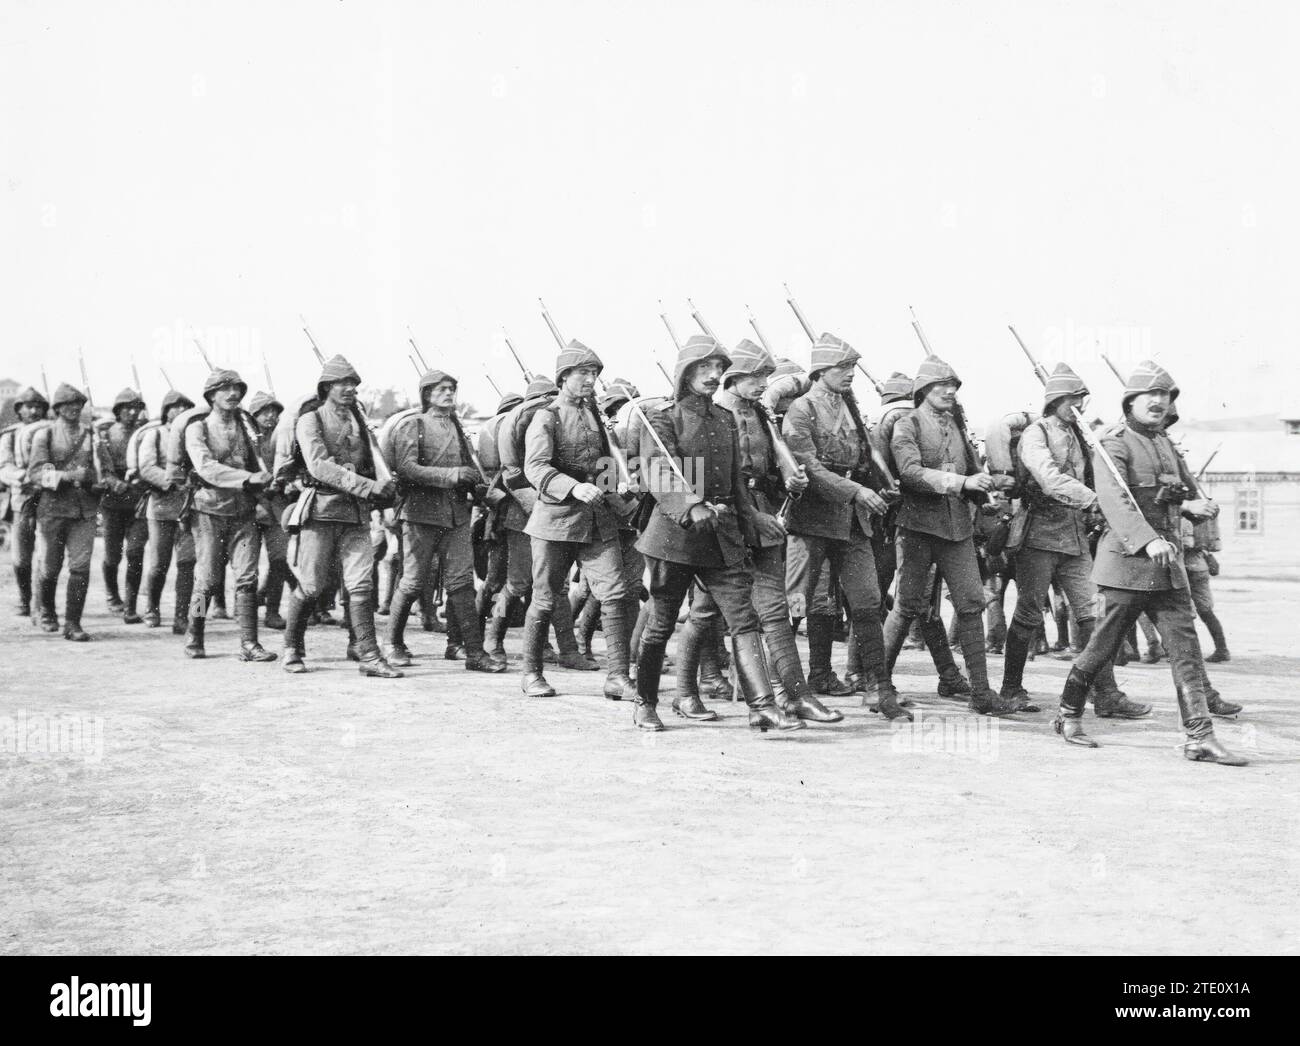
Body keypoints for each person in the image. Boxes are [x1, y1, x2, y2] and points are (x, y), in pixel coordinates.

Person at [1053, 361, 1245, 764]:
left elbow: (1169, 495)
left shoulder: (1166, 445)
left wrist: (1192, 505)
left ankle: (1199, 736)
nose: (1159, 402)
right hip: (1126, 565)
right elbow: (1115, 500)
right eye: (1150, 395)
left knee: (1185, 651)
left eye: (1166, 395)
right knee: (1101, 647)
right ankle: (1068, 714)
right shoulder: (1114, 443)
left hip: (1169, 566)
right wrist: (1146, 540)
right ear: (1131, 402)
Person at [633, 334, 801, 732]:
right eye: (703, 368)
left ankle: (761, 706)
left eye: (718, 369)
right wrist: (691, 505)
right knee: (660, 624)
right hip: (674, 537)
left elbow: (735, 484)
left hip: (721, 536)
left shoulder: (724, 419)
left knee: (743, 621)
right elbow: (659, 470)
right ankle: (645, 703)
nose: (713, 376)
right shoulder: (661, 419)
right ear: (685, 372)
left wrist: (752, 517)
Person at [996, 364, 1148, 718]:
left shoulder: (1081, 435)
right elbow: (1048, 479)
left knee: (1093, 614)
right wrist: (1096, 501)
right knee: (1029, 614)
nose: (1079, 405)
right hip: (1039, 536)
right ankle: (1011, 689)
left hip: (1075, 538)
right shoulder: (1037, 434)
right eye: (1072, 398)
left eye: (1082, 398)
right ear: (1056, 400)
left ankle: (1106, 694)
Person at [881, 356, 1018, 715]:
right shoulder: (906, 423)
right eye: (942, 385)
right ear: (922, 390)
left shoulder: (956, 425)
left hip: (957, 529)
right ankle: (878, 685)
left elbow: (972, 469)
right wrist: (961, 483)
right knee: (908, 605)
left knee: (972, 604)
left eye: (954, 386)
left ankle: (982, 693)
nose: (950, 391)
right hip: (916, 529)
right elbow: (910, 472)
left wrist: (985, 490)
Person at [715, 339, 840, 723]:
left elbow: (771, 462)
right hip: (723, 520)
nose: (760, 383)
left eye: (764, 377)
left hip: (763, 514)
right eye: (754, 377)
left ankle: (796, 696)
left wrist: (790, 478)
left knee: (774, 608)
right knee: (705, 614)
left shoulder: (762, 416)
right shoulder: (716, 414)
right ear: (733, 378)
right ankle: (685, 690)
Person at [782, 334, 903, 717]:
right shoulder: (801, 410)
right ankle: (787, 691)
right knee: (795, 604)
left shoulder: (849, 407)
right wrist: (855, 491)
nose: (851, 374)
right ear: (820, 371)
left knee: (867, 602)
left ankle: (879, 690)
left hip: (851, 521)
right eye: (843, 367)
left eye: (852, 367)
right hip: (813, 517)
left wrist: (878, 488)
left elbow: (862, 458)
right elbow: (810, 468)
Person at [519, 341, 639, 700]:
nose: (590, 380)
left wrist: (619, 482)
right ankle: (531, 673)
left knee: (616, 592)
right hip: (555, 520)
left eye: (594, 374)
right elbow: (535, 467)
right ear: (563, 377)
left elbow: (603, 463)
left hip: (598, 520)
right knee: (544, 598)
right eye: (583, 373)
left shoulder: (595, 416)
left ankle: (618, 676)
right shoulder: (547, 416)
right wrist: (572, 487)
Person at [279, 355, 400, 677]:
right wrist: (368, 487)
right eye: (341, 383)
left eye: (353, 384)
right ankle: (292, 647)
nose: (349, 389)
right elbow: (319, 465)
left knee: (361, 585)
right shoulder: (311, 420)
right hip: (320, 511)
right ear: (326, 387)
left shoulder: (359, 422)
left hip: (356, 515)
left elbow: (375, 463)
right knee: (312, 584)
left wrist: (384, 486)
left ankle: (370, 656)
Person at [383, 367, 505, 673]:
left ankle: (472, 652)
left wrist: (477, 484)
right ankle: (393, 644)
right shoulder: (414, 424)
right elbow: (407, 468)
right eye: (441, 389)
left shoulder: (456, 426)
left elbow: (468, 468)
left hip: (456, 515)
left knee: (462, 583)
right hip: (421, 514)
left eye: (452, 388)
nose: (448, 393)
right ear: (426, 394)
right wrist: (453, 475)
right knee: (412, 581)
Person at [181, 370, 277, 662]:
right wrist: (249, 478)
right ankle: (194, 633)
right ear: (211, 396)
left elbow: (261, 460)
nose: (233, 394)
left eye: (237, 389)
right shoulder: (197, 429)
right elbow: (206, 468)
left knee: (247, 577)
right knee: (207, 581)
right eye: (225, 389)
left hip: (243, 511)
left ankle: (249, 643)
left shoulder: (247, 426)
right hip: (209, 510)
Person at [27, 384, 98, 640]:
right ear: (57, 409)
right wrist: (67, 476)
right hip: (53, 510)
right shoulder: (44, 435)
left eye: (78, 404)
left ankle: (73, 623)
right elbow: (35, 473)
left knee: (80, 566)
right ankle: (46, 612)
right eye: (67, 405)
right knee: (49, 566)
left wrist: (97, 478)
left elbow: (104, 470)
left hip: (84, 510)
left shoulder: (92, 434)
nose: (74, 409)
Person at [135, 388, 197, 632]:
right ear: (166, 412)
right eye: (175, 407)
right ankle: (152, 609)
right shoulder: (155, 435)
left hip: (190, 507)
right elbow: (147, 467)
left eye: (185, 407)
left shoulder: (195, 434)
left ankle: (185, 616)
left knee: (189, 564)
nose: (181, 411)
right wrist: (173, 480)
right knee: (159, 564)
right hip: (161, 507)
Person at [97, 387, 149, 621]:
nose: (131, 412)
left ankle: (131, 605)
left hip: (138, 501)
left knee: (135, 552)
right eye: (126, 408)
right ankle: (112, 596)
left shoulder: (144, 433)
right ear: (118, 411)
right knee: (112, 555)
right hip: (112, 501)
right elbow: (101, 469)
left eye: (136, 408)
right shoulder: (106, 434)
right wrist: (114, 482)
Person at [0, 385, 50, 616]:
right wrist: (23, 476)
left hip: (51, 497)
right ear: (19, 410)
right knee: (21, 557)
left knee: (46, 554)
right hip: (22, 498)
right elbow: (3, 467)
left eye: (38, 406)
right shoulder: (10, 435)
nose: (34, 411)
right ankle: (24, 598)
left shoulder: (50, 431)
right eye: (29, 407)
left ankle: (42, 602)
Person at [248, 391, 291, 631]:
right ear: (254, 416)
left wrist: (284, 482)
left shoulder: (283, 438)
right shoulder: (245, 441)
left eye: (275, 411)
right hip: (247, 512)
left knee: (280, 561)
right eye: (265, 411)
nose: (271, 416)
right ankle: (193, 618)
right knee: (240, 568)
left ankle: (272, 611)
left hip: (276, 511)